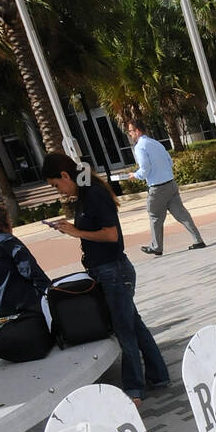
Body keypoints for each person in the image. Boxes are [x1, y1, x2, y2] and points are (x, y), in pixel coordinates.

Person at [40, 152, 170, 403]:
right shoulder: (86, 194)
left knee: (125, 331)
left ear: (65, 175)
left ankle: (134, 390)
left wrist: (76, 232)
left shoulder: (93, 195)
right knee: (134, 326)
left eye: (57, 185)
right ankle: (158, 375)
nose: (59, 191)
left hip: (114, 271)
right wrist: (73, 229)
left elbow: (111, 236)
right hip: (108, 270)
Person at [125, 118, 206, 257]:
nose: (130, 134)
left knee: (155, 216)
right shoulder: (156, 143)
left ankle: (157, 247)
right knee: (182, 214)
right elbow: (170, 162)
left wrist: (135, 175)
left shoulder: (140, 147)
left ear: (137, 131)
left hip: (157, 188)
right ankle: (198, 240)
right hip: (171, 184)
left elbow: (145, 170)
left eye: (131, 131)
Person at [0, 203, 51, 320]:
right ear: (2, 224)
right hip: (5, 306)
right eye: (9, 220)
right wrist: (50, 291)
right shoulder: (6, 240)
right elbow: (30, 270)